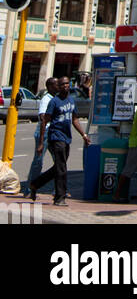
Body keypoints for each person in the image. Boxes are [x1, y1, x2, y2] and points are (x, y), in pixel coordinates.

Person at [29, 76, 90, 206]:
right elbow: (44, 121)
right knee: (62, 168)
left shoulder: (71, 100)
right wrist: (41, 143)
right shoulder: (54, 102)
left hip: (67, 137)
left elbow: (74, 119)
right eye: (62, 84)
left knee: (58, 167)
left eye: (67, 84)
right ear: (59, 87)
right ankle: (59, 197)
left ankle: (35, 184)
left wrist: (83, 134)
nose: (65, 86)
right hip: (56, 137)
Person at [27, 78, 58, 190]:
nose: (58, 85)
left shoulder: (55, 98)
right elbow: (43, 118)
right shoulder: (46, 99)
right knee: (38, 161)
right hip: (44, 133)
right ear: (50, 86)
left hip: (53, 133)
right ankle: (30, 188)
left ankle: (58, 191)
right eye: (56, 84)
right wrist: (41, 142)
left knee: (59, 162)